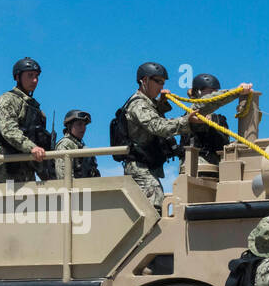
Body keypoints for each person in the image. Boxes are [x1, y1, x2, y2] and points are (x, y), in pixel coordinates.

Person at [114, 62, 196, 209]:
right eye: (158, 82)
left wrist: (163, 102)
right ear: (144, 81)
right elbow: (158, 126)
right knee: (155, 200)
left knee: (156, 201)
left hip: (147, 165)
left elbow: (156, 114)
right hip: (139, 166)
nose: (161, 87)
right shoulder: (138, 104)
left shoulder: (149, 103)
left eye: (163, 83)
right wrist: (186, 121)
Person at [0, 57, 52, 184]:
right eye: (30, 75)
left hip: (29, 170)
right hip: (9, 168)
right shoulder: (7, 100)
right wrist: (32, 148)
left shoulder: (35, 108)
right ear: (17, 77)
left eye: (36, 76)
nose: (35, 80)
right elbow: (9, 130)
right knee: (8, 204)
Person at [54, 109, 100, 180]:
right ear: (69, 126)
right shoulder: (65, 144)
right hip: (73, 189)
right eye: (79, 124)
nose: (83, 128)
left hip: (87, 189)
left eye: (85, 125)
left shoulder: (82, 147)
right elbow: (63, 178)